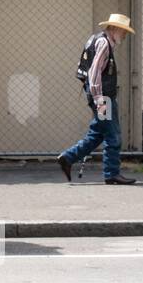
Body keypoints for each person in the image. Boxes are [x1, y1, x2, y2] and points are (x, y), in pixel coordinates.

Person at [57, 14, 137, 185]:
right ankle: (111, 174)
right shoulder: (104, 43)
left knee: (98, 133)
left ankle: (68, 157)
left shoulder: (97, 40)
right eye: (124, 31)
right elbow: (94, 73)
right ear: (115, 29)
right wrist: (99, 99)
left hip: (99, 96)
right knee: (113, 135)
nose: (124, 35)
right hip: (103, 97)